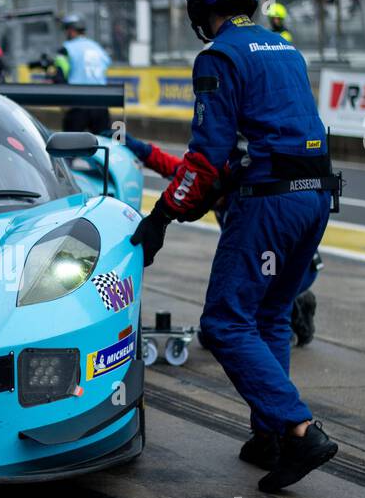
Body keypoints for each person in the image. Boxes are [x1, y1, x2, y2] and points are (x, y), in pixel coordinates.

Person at [130, 0, 339, 493]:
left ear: (199, 2)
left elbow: (206, 159)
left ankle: (299, 430)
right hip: (316, 198)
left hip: (268, 202)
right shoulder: (285, 49)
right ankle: (269, 436)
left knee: (224, 323)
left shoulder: (219, 58)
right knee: (270, 318)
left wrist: (160, 217)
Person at [120, 131, 323, 346]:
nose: (203, 203)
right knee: (215, 332)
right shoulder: (206, 185)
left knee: (247, 319)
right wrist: (133, 145)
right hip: (271, 261)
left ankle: (294, 311)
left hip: (296, 267)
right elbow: (170, 167)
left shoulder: (249, 199)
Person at [54, 14, 112, 132]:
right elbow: (105, 65)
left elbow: (60, 77)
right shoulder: (97, 48)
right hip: (101, 101)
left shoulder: (66, 49)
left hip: (78, 101)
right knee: (104, 141)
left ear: (71, 31)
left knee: (70, 144)